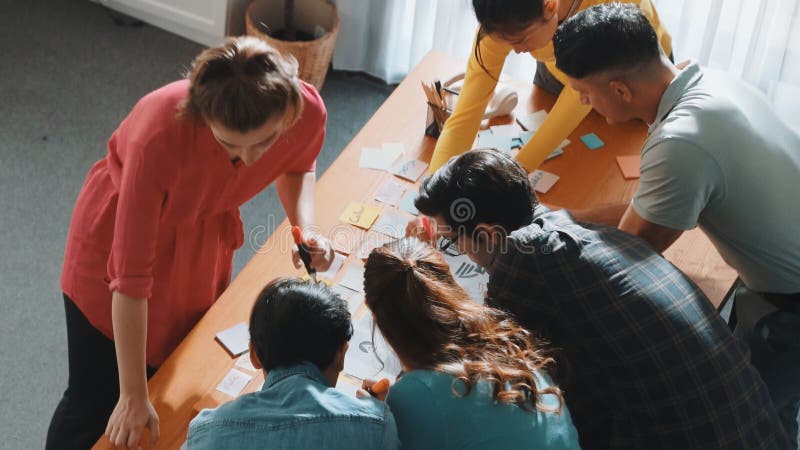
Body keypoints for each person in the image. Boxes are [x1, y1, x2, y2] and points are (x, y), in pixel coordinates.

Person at [47, 36, 337, 450]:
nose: (250, 158)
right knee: (94, 401)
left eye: (264, 141)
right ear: (203, 117)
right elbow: (129, 282)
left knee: (166, 377)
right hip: (115, 247)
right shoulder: (158, 137)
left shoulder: (304, 111)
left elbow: (296, 164)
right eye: (229, 145)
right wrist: (130, 394)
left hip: (198, 247)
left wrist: (304, 227)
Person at [412, 148, 789, 449]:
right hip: (755, 420)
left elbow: (494, 367)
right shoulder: (571, 228)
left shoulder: (521, 259)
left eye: (451, 242)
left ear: (490, 233)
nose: (452, 251)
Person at [552, 4, 800, 444]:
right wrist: (569, 218)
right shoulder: (711, 80)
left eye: (584, 92)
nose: (582, 102)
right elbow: (650, 207)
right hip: (774, 272)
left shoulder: (680, 141)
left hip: (788, 307)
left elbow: (624, 260)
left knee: (755, 416)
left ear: (622, 90)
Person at [362, 237, 581, 450]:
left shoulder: (414, 396)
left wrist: (378, 418)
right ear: (449, 287)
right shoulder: (502, 337)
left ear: (379, 321)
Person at [427, 0, 671, 175]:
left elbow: (574, 104)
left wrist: (512, 174)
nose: (518, 52)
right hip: (556, 64)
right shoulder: (505, 20)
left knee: (611, 169)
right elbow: (465, 116)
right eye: (506, 42)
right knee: (568, 166)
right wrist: (432, 192)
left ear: (550, 6)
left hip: (632, 73)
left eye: (521, 40)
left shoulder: (614, 8)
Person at [187, 278, 399, 449]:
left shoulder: (206, 433)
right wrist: (380, 413)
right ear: (341, 355)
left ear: (254, 355)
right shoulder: (376, 426)